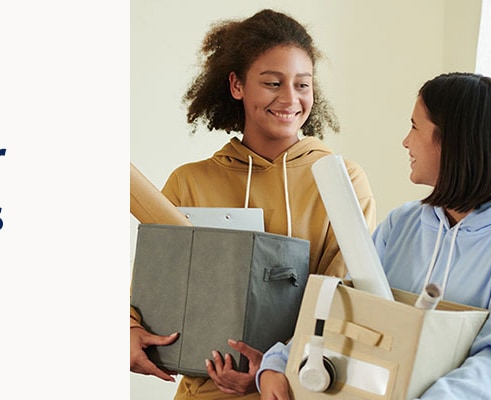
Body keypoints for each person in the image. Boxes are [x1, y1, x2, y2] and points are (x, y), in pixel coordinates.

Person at [129, 9, 377, 400]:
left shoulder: (342, 181)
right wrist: (129, 332)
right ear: (237, 85)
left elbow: (345, 299)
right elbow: (152, 290)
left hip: (291, 391)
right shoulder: (188, 182)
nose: (290, 99)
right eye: (273, 83)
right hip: (200, 391)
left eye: (303, 85)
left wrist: (272, 371)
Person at [255, 72, 491, 399]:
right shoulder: (403, 223)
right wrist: (278, 364)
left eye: (414, 126)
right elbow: (344, 312)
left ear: (452, 139)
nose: (405, 141)